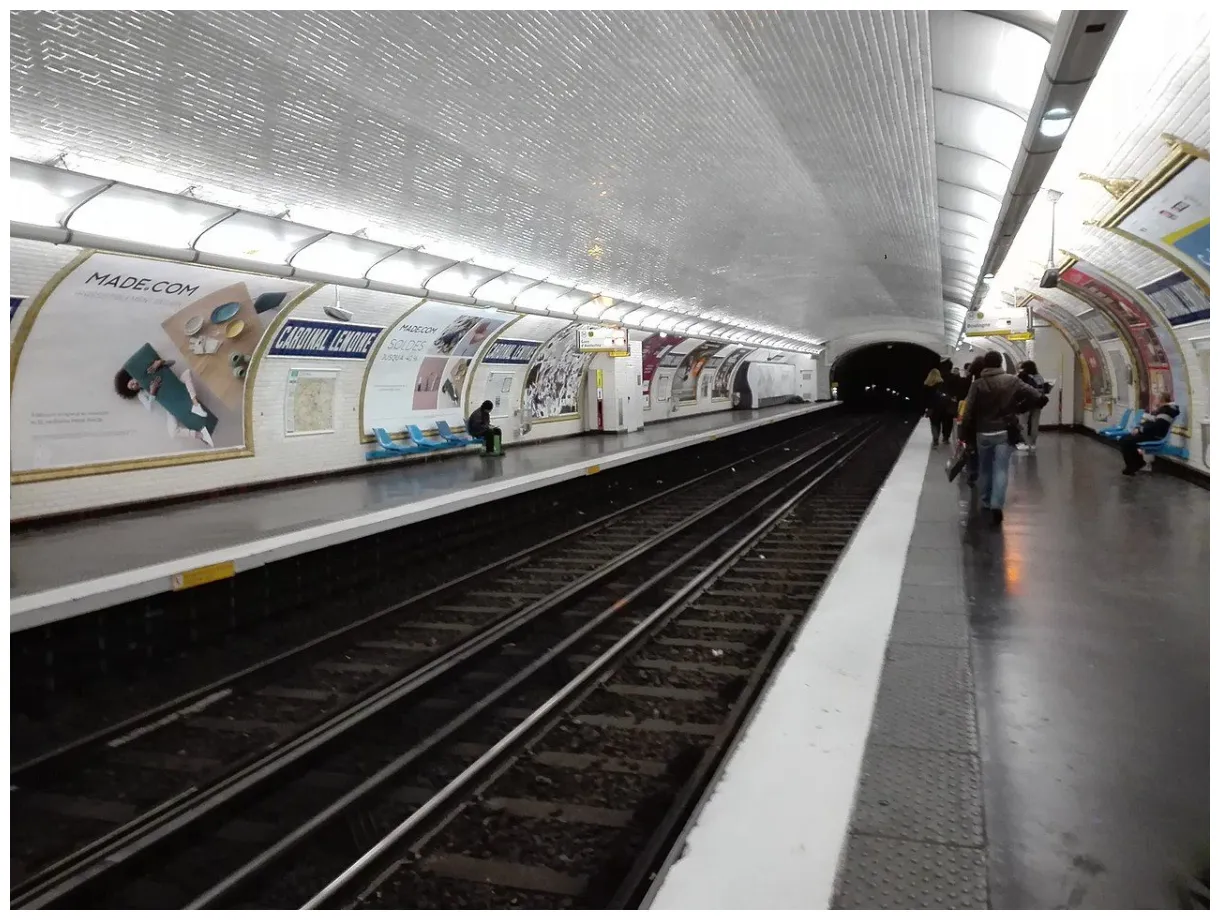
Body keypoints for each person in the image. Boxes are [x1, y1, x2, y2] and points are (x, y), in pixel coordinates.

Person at [960, 350, 1049, 524]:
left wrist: (964, 432)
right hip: (1004, 431)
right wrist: (1020, 408)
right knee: (1001, 469)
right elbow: (1038, 396)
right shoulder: (1012, 380)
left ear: (985, 364)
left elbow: (968, 411)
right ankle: (997, 505)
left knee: (985, 468)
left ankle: (985, 501)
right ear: (1001, 363)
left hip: (983, 432)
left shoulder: (977, 384)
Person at [1118, 394, 1179, 475]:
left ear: (1162, 400)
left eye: (1156, 399)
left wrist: (1140, 430)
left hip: (1155, 436)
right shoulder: (1162, 410)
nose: (1155, 401)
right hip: (1149, 433)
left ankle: (1134, 465)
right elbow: (1149, 422)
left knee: (1126, 441)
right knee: (1124, 439)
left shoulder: (1167, 411)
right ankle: (1136, 463)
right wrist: (1138, 428)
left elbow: (1157, 426)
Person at [1015, 360, 1052, 451]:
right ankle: (1033, 443)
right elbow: (1043, 389)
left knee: (1023, 423)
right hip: (1038, 402)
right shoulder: (1039, 377)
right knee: (1035, 423)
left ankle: (1026, 443)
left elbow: (1018, 387)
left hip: (1025, 402)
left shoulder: (1023, 376)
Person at [922, 360, 955, 446]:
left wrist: (925, 407)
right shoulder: (942, 383)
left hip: (932, 407)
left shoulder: (926, 385)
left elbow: (924, 398)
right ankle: (945, 437)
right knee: (945, 422)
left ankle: (935, 439)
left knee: (934, 423)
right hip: (943, 406)